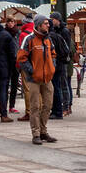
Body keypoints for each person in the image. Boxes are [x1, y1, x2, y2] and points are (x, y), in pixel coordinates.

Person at [17, 15, 58, 145]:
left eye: (48, 23)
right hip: (34, 78)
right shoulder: (29, 39)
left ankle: (43, 131)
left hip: (47, 78)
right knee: (35, 106)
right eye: (45, 23)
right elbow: (21, 58)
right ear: (39, 25)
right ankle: (36, 133)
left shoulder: (48, 40)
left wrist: (52, 66)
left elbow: (53, 54)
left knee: (48, 105)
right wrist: (32, 70)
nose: (48, 25)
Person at [48, 13, 75, 119]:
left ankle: (66, 106)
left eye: (52, 19)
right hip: (61, 61)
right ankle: (65, 106)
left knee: (64, 84)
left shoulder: (64, 31)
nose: (51, 21)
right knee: (63, 84)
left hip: (62, 62)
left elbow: (66, 48)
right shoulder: (57, 31)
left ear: (57, 20)